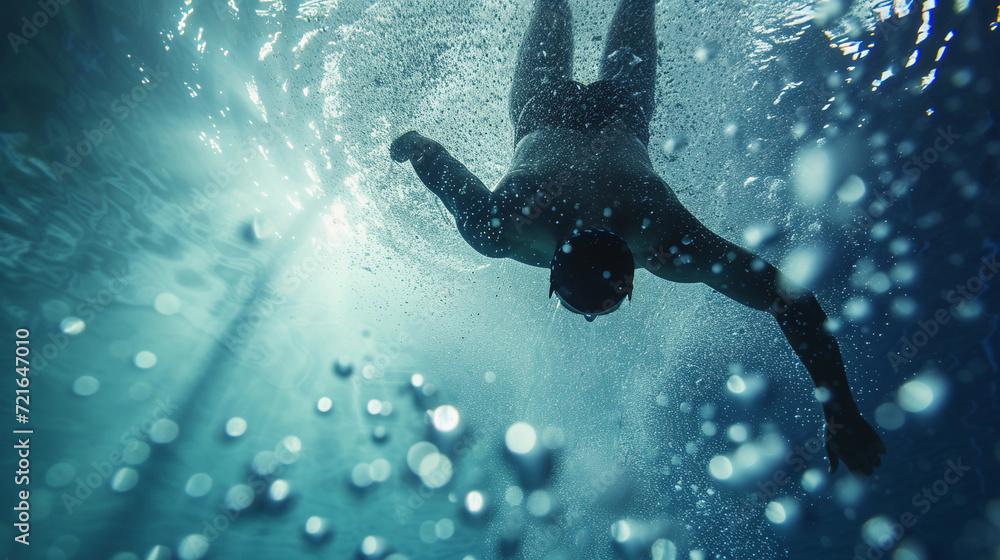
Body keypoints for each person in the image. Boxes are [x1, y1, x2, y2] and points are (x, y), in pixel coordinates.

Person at [390, 0, 885, 476]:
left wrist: (842, 413)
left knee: (633, 6)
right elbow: (440, 167)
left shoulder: (663, 241)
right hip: (549, 112)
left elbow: (792, 301)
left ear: (632, 275)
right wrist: (416, 149)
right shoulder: (507, 232)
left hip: (619, 114)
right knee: (556, 6)